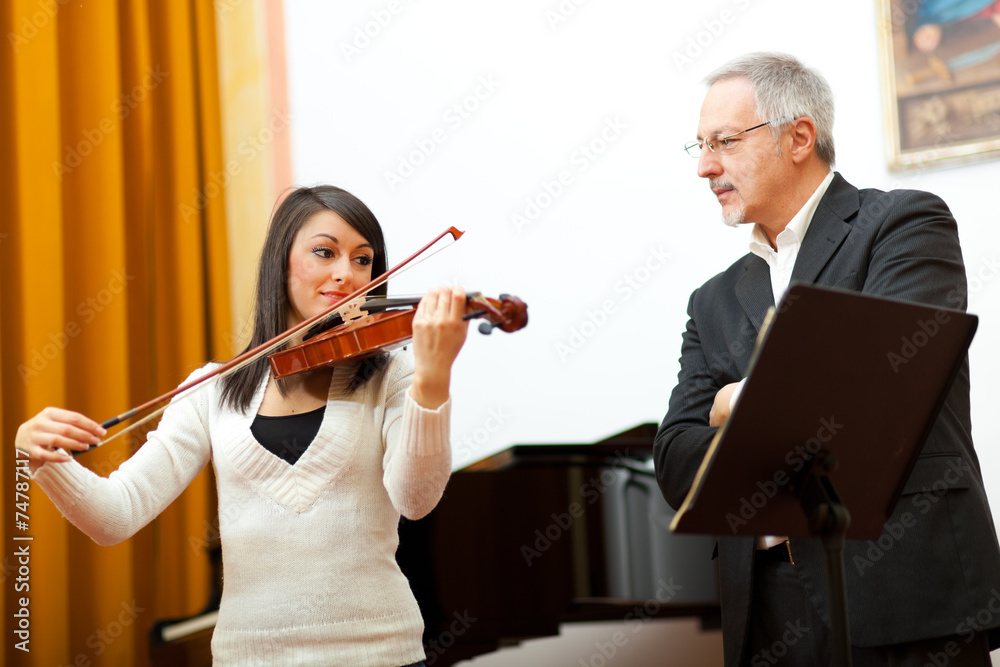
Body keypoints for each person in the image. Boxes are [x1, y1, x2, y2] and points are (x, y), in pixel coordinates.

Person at [16, 185, 468, 667]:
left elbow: (415, 501)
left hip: (380, 654)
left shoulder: (392, 377)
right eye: (325, 252)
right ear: (280, 262)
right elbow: (115, 516)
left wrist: (433, 380)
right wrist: (40, 457)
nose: (347, 273)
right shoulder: (213, 389)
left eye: (363, 259)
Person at [654, 52, 1000, 666]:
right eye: (699, 146)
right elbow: (677, 459)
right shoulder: (711, 300)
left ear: (799, 137)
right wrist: (790, 404)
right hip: (766, 608)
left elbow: (881, 389)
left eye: (725, 142)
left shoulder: (902, 225)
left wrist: (732, 402)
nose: (705, 166)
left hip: (901, 586)